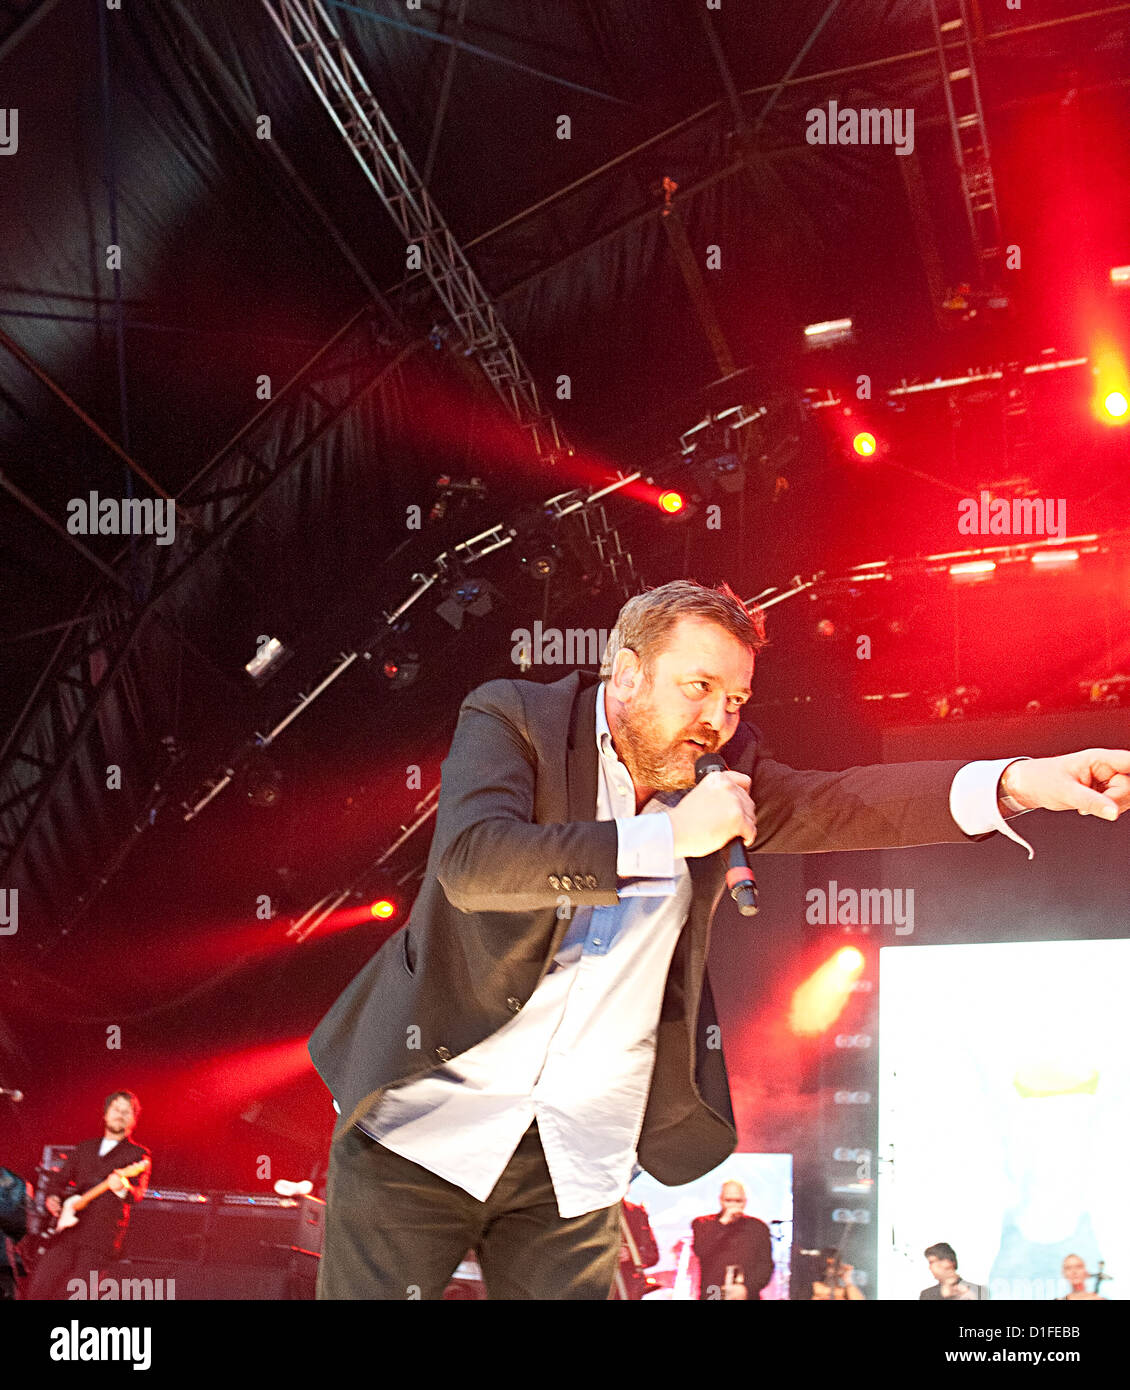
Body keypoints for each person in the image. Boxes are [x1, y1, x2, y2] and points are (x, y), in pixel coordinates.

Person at [308, 579, 1130, 1299]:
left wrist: (1022, 781)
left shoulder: (720, 774)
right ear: (626, 675)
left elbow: (849, 801)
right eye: (697, 687)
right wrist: (663, 840)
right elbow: (473, 865)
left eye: (734, 700)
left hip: (576, 1152)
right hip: (425, 1121)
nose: (716, 720)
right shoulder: (516, 717)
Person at [25, 1090, 150, 1300]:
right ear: (105, 1113)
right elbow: (57, 1180)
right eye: (116, 1109)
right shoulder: (85, 1148)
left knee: (81, 1294)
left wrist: (121, 1187)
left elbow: (137, 1194)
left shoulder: (138, 1155)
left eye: (127, 1112)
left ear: (134, 1119)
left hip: (100, 1238)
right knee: (39, 1287)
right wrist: (52, 1198)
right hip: (67, 1232)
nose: (120, 1114)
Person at [691, 1180, 773, 1300]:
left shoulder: (757, 1227)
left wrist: (747, 1288)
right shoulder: (703, 1224)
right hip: (714, 1292)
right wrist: (723, 1223)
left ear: (745, 1202)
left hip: (746, 1293)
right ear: (720, 1200)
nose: (733, 1206)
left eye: (738, 1201)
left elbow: (765, 1264)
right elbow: (701, 1251)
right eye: (728, 1201)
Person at [919, 1241, 987, 1300]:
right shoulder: (927, 1295)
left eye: (932, 1262)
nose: (930, 1267)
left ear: (947, 1262)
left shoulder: (978, 1291)